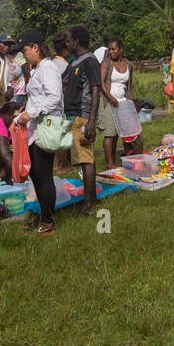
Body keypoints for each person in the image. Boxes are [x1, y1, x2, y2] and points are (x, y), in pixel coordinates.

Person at [13, 31, 64, 235]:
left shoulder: (48, 68)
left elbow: (54, 97)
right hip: (36, 125)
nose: (23, 55)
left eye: (25, 51)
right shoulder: (36, 69)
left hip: (47, 125)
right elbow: (36, 97)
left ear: (36, 47)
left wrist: (30, 113)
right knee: (35, 173)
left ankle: (49, 221)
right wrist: (24, 112)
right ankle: (43, 215)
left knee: (44, 175)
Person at [63, 26, 102, 209]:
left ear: (76, 41)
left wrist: (92, 120)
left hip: (83, 116)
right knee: (79, 158)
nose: (67, 43)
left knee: (86, 159)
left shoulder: (90, 62)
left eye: (69, 40)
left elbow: (95, 91)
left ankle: (89, 202)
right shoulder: (73, 62)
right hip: (72, 115)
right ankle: (89, 197)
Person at [98, 37, 137, 171]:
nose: (111, 52)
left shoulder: (129, 65)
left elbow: (129, 86)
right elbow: (102, 84)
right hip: (108, 102)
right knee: (110, 133)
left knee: (118, 133)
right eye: (109, 49)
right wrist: (111, 98)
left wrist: (131, 103)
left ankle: (113, 160)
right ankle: (109, 164)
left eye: (113, 49)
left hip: (122, 102)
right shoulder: (106, 63)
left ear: (121, 49)